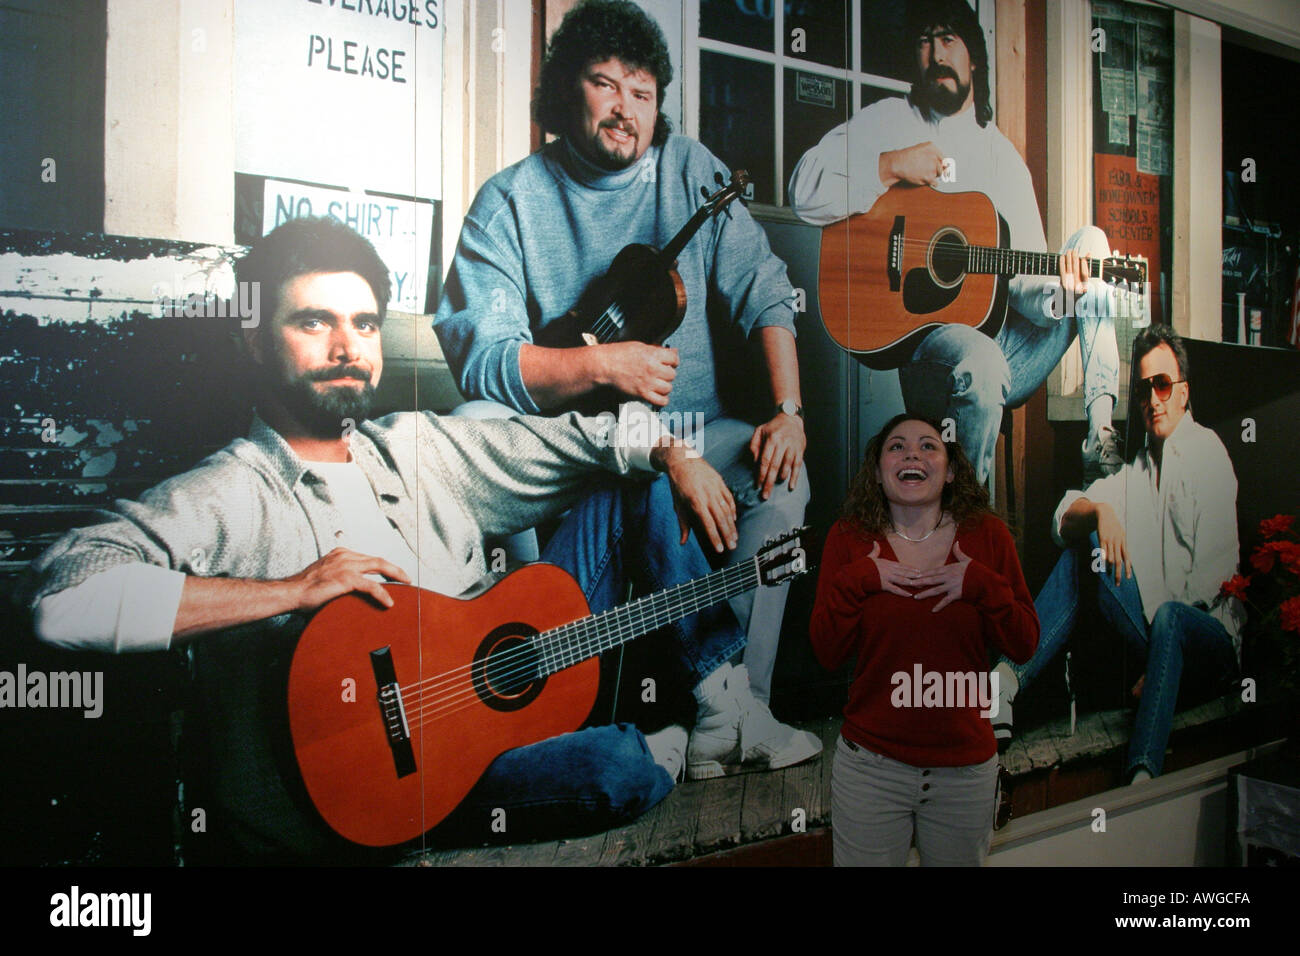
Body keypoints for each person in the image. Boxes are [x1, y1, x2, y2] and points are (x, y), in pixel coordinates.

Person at [19, 217, 800, 863]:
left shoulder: (416, 445)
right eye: (312, 321)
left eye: (362, 323)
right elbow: (59, 598)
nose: (345, 346)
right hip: (407, 775)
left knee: (639, 473)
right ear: (254, 343)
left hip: (499, 676)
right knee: (617, 769)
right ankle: (652, 744)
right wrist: (289, 592)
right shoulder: (231, 489)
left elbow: (584, 442)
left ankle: (717, 706)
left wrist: (673, 452)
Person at [434, 0, 819, 772]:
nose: (625, 109)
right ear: (563, 93)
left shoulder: (691, 169)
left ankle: (743, 707)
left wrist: (789, 411)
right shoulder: (509, 200)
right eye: (605, 85)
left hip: (688, 436)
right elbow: (482, 359)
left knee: (782, 473)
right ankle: (549, 710)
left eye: (642, 94)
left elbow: (766, 288)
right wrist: (605, 367)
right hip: (567, 451)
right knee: (492, 425)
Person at [788, 0, 1124, 484]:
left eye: (948, 39)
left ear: (975, 59)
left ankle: (1100, 432)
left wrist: (1063, 294)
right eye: (924, 41)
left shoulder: (1003, 159)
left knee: (1090, 241)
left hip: (1010, 348)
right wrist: (890, 165)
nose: (936, 53)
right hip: (932, 344)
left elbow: (1027, 292)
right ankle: (961, 527)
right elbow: (804, 190)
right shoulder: (887, 121)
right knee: (982, 362)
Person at [992, 325, 1244, 782]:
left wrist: (1168, 668)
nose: (1154, 400)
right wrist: (1099, 511)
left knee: (1170, 615)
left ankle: (1142, 773)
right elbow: (1061, 520)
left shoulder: (1209, 454)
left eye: (1164, 385)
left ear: (1184, 393)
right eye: (1145, 388)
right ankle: (1004, 683)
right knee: (1083, 548)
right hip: (1157, 641)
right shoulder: (1138, 469)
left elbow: (1214, 581)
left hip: (1209, 644)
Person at [810, 413, 1038, 866]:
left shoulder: (988, 538)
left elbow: (1025, 642)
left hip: (966, 773)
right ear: (877, 471)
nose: (912, 453)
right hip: (870, 771)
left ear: (951, 470)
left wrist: (977, 582)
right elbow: (826, 651)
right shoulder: (849, 539)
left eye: (928, 446)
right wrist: (862, 577)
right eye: (896, 446)